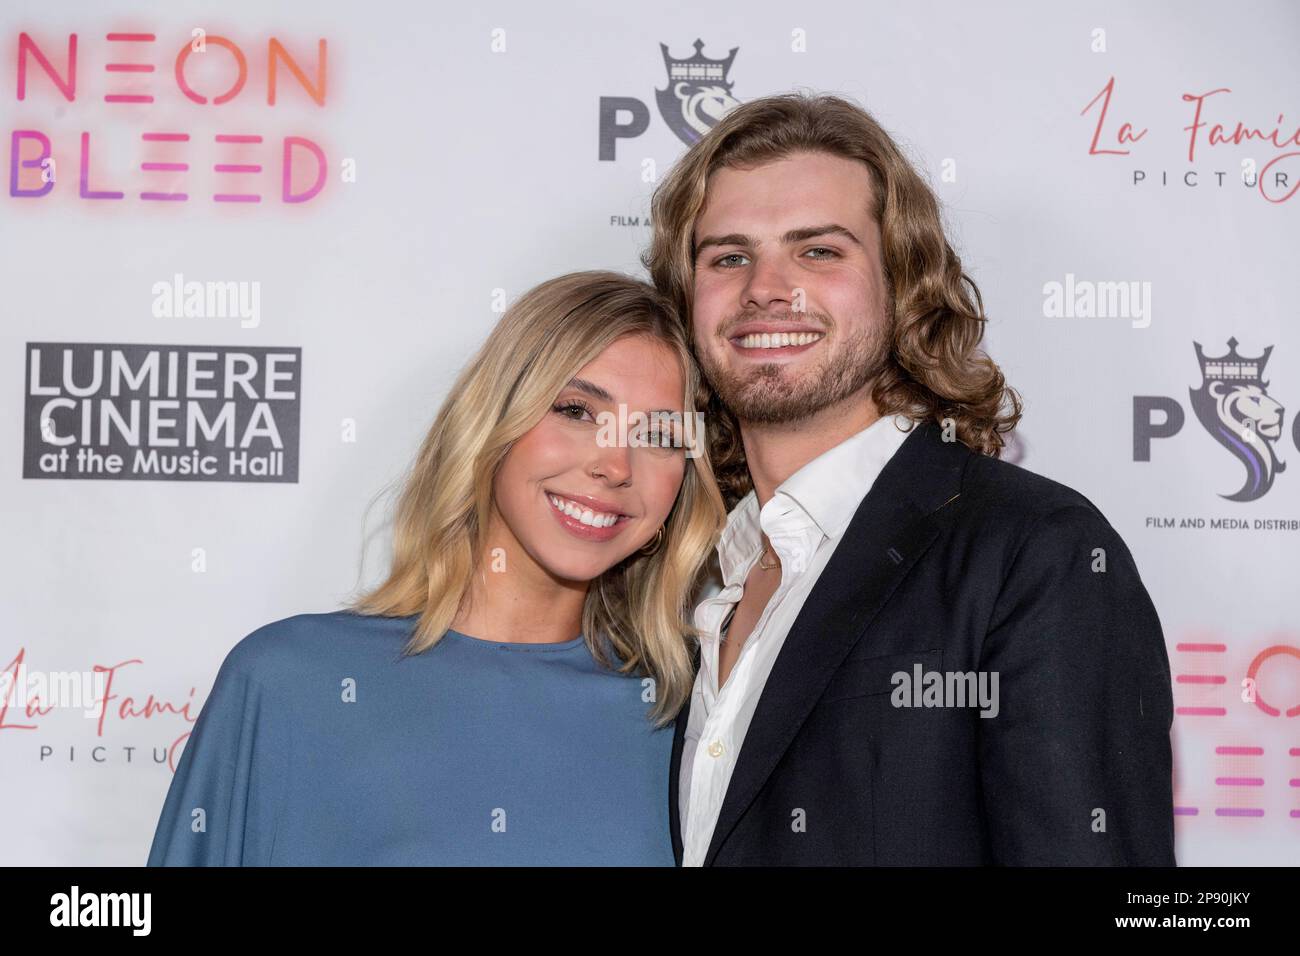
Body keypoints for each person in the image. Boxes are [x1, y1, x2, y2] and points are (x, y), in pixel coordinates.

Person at [642, 92, 1177, 866]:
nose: (766, 287)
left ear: (901, 283)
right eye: (728, 256)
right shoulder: (690, 576)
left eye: (818, 251)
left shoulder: (1035, 553)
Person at [146, 271, 726, 865]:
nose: (614, 464)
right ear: (493, 421)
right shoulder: (289, 682)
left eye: (657, 434)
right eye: (577, 410)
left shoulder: (690, 720)